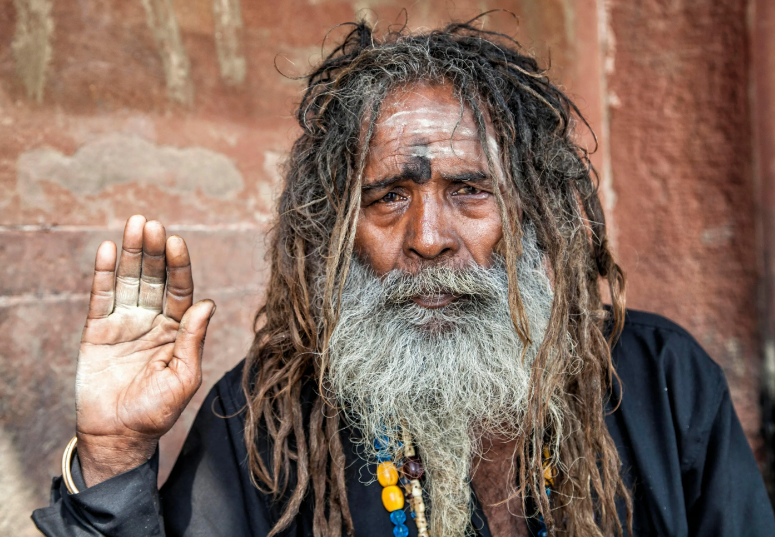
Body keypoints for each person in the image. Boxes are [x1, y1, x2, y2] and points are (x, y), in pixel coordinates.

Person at [32, 20, 775, 537]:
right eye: (388, 196)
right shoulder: (266, 421)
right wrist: (115, 453)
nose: (426, 238)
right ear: (338, 229)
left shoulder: (657, 378)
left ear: (535, 212)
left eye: (470, 191)